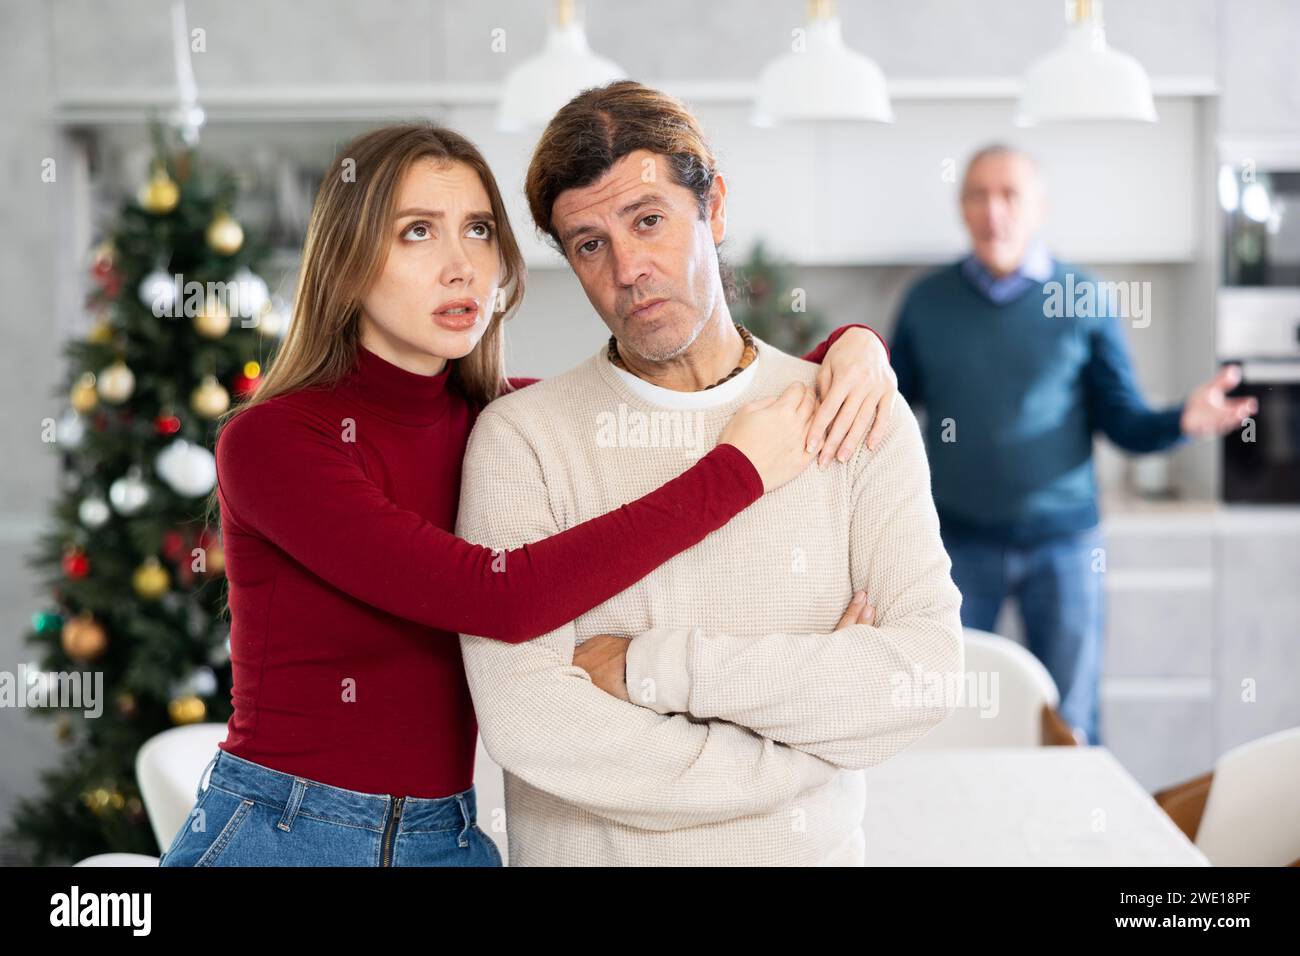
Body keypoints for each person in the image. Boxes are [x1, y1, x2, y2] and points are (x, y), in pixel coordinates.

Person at [157, 122, 897, 867]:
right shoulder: (275, 443)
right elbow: (498, 598)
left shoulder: (502, 424)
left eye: (478, 230)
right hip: (285, 834)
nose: (461, 266)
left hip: (445, 838)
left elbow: (677, 406)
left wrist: (853, 351)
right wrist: (738, 472)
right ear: (347, 263)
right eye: (418, 232)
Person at [457, 81, 963, 866]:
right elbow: (531, 723)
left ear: (714, 207)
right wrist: (806, 746)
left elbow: (920, 677)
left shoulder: (853, 413)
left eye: (649, 220)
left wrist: (652, 669)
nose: (628, 269)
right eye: (590, 244)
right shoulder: (520, 442)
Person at [889, 143, 1256, 746]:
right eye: (978, 194)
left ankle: (1081, 834)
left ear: (1040, 208)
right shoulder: (928, 301)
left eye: (1011, 195)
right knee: (944, 715)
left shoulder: (1082, 296)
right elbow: (894, 406)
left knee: (1070, 722)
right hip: (955, 544)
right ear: (961, 207)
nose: (994, 211)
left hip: (1064, 544)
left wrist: (1182, 421)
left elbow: (1124, 420)